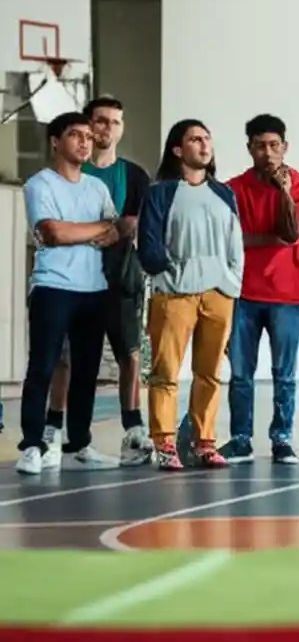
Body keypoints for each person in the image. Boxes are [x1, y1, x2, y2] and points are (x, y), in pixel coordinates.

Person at [43, 96, 154, 469]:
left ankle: (133, 428)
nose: (107, 129)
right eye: (100, 121)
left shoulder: (134, 176)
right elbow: (57, 227)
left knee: (130, 353)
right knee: (66, 358)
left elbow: (131, 226)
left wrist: (105, 229)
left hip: (121, 278)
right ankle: (55, 430)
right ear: (87, 127)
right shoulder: (65, 174)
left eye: (114, 122)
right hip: (71, 278)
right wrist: (103, 229)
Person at [15, 112, 122, 474]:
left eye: (89, 136)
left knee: (87, 371)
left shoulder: (97, 188)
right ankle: (32, 445)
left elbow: (114, 230)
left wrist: (85, 229)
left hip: (93, 289)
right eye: (76, 135)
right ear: (55, 142)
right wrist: (94, 229)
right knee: (43, 366)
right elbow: (53, 234)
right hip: (53, 286)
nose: (85, 142)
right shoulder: (39, 184)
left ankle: (79, 443)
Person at [137, 119, 243, 470]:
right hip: (174, 294)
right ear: (178, 149)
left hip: (218, 294)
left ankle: (204, 441)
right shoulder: (161, 192)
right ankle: (165, 443)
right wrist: (169, 272)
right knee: (166, 371)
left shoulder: (224, 193)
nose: (204, 144)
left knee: (210, 372)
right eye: (195, 139)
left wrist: (231, 282)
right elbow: (148, 244)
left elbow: (234, 244)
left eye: (207, 138)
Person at [221, 114, 299, 465]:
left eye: (274, 145)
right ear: (249, 149)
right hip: (243, 294)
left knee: (285, 374)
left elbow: (291, 234)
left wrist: (284, 190)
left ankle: (282, 439)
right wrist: (265, 239)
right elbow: (230, 241)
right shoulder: (233, 189)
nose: (268, 152)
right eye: (260, 146)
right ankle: (240, 439)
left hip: (287, 294)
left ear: (285, 147)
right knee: (241, 374)